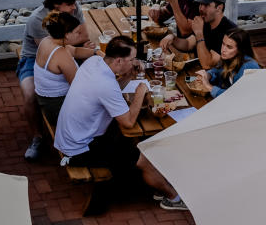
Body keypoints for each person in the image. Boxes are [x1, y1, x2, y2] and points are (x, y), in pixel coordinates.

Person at [55, 36, 185, 212]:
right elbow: (129, 122)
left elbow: (113, 89)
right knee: (143, 157)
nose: (135, 62)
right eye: (131, 60)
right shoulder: (104, 84)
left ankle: (155, 180)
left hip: (73, 135)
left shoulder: (94, 62)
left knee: (135, 142)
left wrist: (129, 75)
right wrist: (140, 92)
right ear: (118, 60)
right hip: (80, 149)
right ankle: (173, 197)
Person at [17, 0, 90, 159]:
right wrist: (78, 45)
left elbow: (84, 36)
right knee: (29, 94)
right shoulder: (37, 19)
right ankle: (38, 138)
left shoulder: (73, 8)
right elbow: (50, 48)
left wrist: (83, 47)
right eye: (70, 3)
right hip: (35, 58)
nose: (75, 7)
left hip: (63, 51)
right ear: (57, 4)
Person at [31, 11, 91, 127]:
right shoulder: (61, 54)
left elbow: (75, 51)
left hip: (45, 101)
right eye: (77, 32)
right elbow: (79, 87)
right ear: (67, 35)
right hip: (58, 108)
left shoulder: (48, 40)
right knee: (102, 109)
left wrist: (95, 52)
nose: (80, 35)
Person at [162, 0, 235, 70]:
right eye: (200, 4)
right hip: (201, 73)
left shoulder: (229, 31)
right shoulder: (206, 22)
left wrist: (199, 34)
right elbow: (188, 44)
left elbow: (207, 64)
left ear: (219, 8)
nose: (201, 9)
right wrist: (172, 38)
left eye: (206, 5)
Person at [195, 29, 260, 98]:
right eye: (223, 44)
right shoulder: (229, 58)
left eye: (229, 47)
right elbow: (216, 71)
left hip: (240, 105)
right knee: (188, 80)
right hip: (223, 102)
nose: (223, 50)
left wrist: (209, 86)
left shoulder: (248, 67)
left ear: (240, 50)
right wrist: (207, 75)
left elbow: (237, 97)